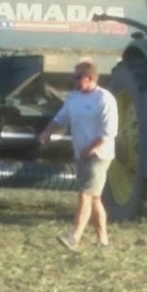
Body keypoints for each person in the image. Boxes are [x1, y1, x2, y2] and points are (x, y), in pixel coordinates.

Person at [37, 60, 118, 251]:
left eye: (77, 77)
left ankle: (74, 237)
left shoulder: (104, 99)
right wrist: (47, 132)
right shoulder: (74, 97)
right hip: (81, 154)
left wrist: (90, 149)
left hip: (99, 154)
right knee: (94, 198)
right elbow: (61, 118)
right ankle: (103, 241)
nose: (73, 81)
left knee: (85, 195)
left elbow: (109, 132)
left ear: (89, 78)